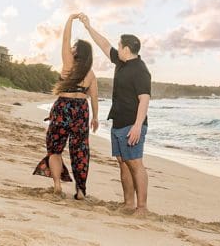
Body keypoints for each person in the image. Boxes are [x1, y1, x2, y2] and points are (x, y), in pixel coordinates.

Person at [79, 13, 151, 216]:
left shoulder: (140, 70)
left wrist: (138, 126)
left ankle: (142, 207)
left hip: (132, 124)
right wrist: (88, 27)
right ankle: (128, 204)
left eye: (119, 46)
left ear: (126, 49)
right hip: (118, 122)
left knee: (135, 163)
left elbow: (144, 99)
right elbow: (103, 44)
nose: (116, 48)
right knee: (123, 162)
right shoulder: (121, 62)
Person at [33, 13, 99, 200]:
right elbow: (94, 97)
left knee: (54, 148)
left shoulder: (68, 63)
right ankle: (80, 191)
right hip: (81, 110)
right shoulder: (91, 74)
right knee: (80, 151)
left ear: (77, 52)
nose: (70, 48)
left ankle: (57, 185)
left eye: (74, 47)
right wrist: (95, 117)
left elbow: (65, 39)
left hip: (63, 108)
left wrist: (69, 19)